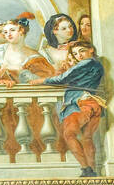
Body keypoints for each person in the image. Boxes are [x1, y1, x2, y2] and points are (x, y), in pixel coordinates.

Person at [43, 40, 106, 175]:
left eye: (82, 51)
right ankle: (92, 171)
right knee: (87, 138)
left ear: (91, 50)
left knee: (69, 134)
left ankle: (85, 168)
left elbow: (62, 79)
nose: (79, 56)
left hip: (80, 104)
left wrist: (41, 80)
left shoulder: (87, 62)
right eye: (76, 54)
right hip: (93, 104)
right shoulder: (97, 66)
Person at [0, 14, 53, 83]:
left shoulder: (34, 57)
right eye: (6, 32)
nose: (8, 34)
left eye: (12, 30)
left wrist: (19, 72)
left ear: (21, 30)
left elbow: (45, 80)